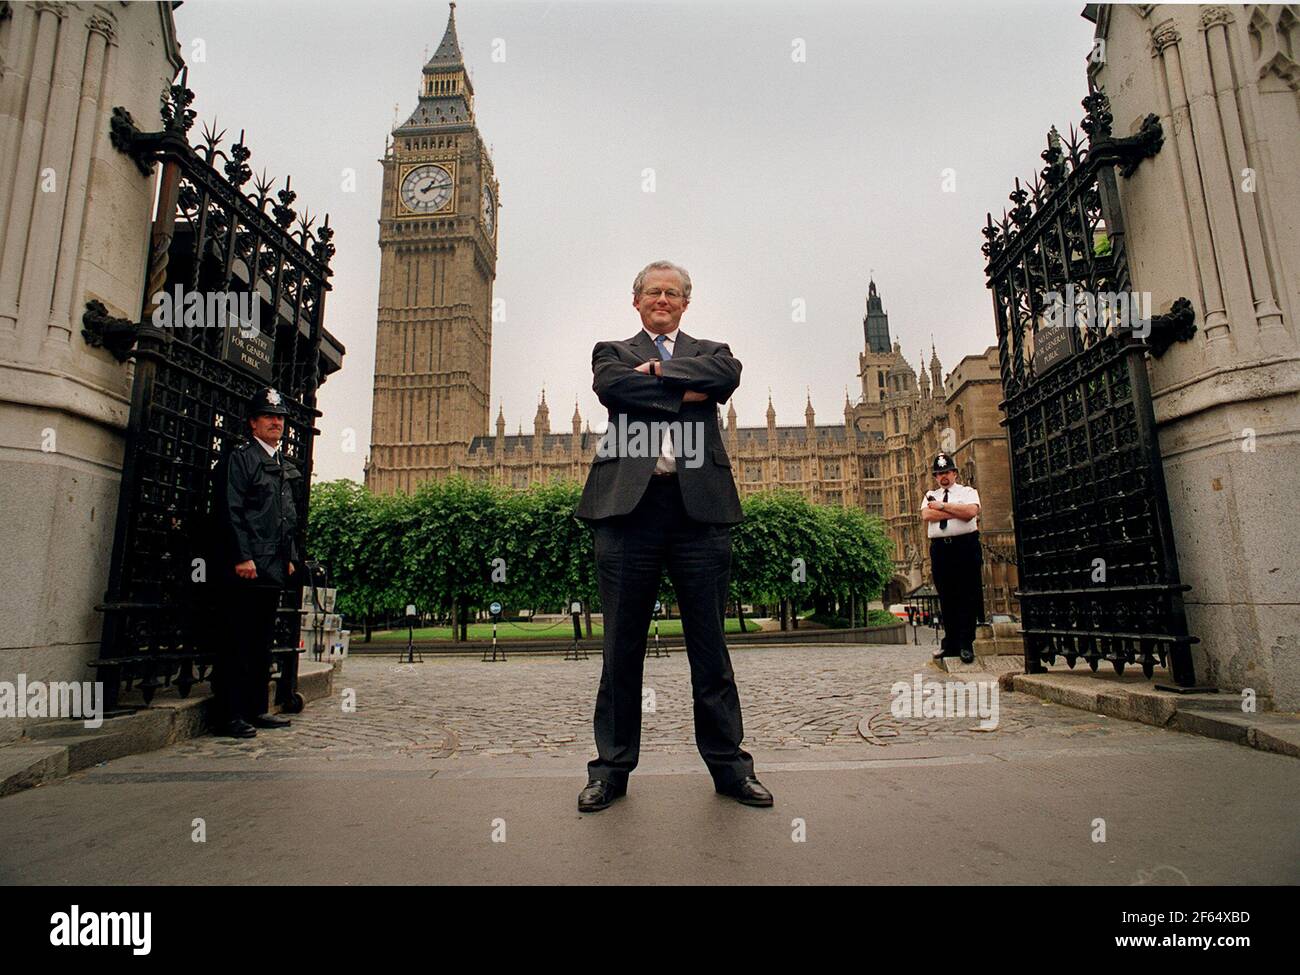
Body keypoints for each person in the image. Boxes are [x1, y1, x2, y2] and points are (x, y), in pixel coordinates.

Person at [573, 260, 772, 812]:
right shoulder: (610, 350)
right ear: (635, 300)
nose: (663, 299)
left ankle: (731, 769)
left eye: (673, 293)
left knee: (711, 651)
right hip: (627, 509)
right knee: (621, 650)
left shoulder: (714, 349)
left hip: (699, 510)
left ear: (686, 302)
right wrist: (685, 390)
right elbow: (612, 388)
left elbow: (725, 378)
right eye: (653, 292)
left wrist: (657, 377)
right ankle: (610, 771)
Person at [208, 386, 302, 738]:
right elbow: (231, 510)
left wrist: (290, 557)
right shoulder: (241, 458)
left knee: (261, 640)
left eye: (280, 419)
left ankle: (256, 709)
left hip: (273, 566)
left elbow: (286, 516)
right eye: (269, 417)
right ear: (253, 423)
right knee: (237, 640)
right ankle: (229, 714)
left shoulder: (281, 462)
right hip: (246, 567)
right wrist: (242, 556)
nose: (276, 423)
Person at [921, 452, 982, 664]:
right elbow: (927, 516)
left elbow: (971, 512)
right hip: (941, 550)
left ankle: (966, 644)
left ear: (954, 473)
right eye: (939, 474)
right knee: (947, 597)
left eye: (946, 472)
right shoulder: (930, 494)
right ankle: (951, 644)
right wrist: (957, 511)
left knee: (967, 596)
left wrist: (943, 507)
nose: (943, 477)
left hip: (965, 547)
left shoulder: (968, 492)